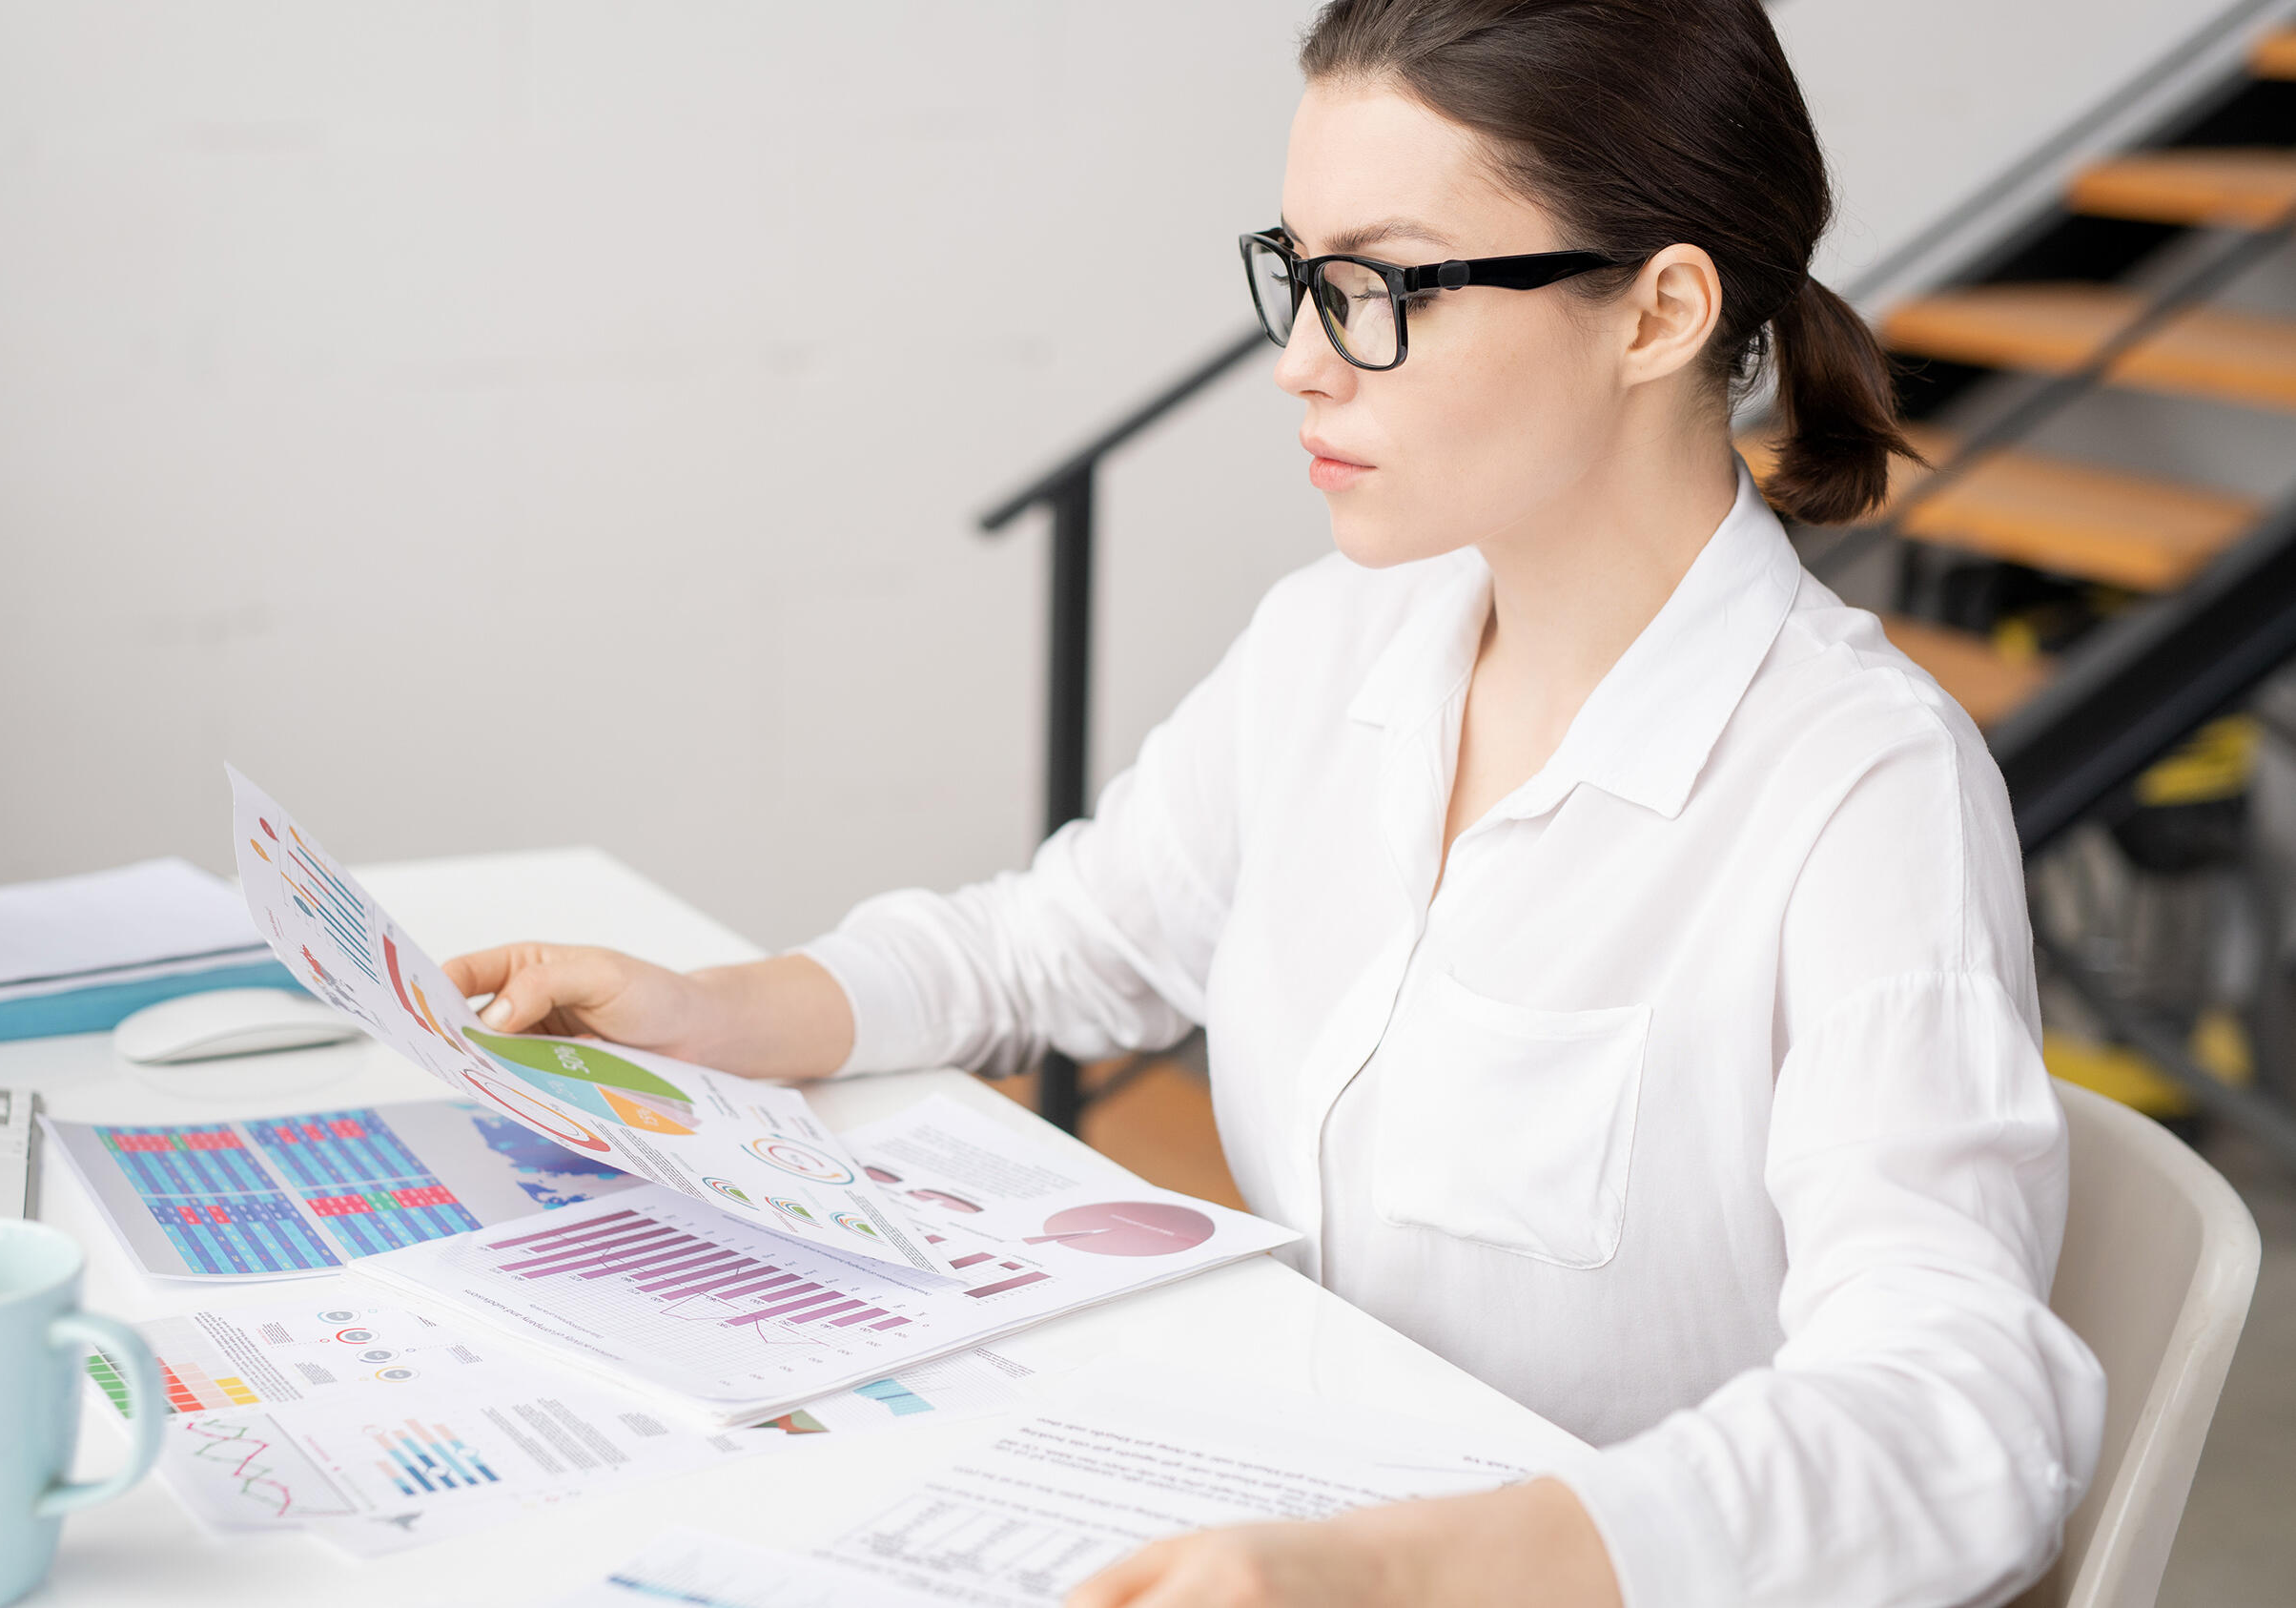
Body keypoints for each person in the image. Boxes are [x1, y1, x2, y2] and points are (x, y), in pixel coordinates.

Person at [446, 0, 2106, 1601]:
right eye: (1299, 280)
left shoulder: (1856, 783)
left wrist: (1408, 1574)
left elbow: (1956, 1419)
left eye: (1380, 287)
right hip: (1290, 1497)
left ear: (1658, 313)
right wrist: (712, 1007)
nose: (1302, 363)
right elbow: (1062, 941)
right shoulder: (1342, 639)